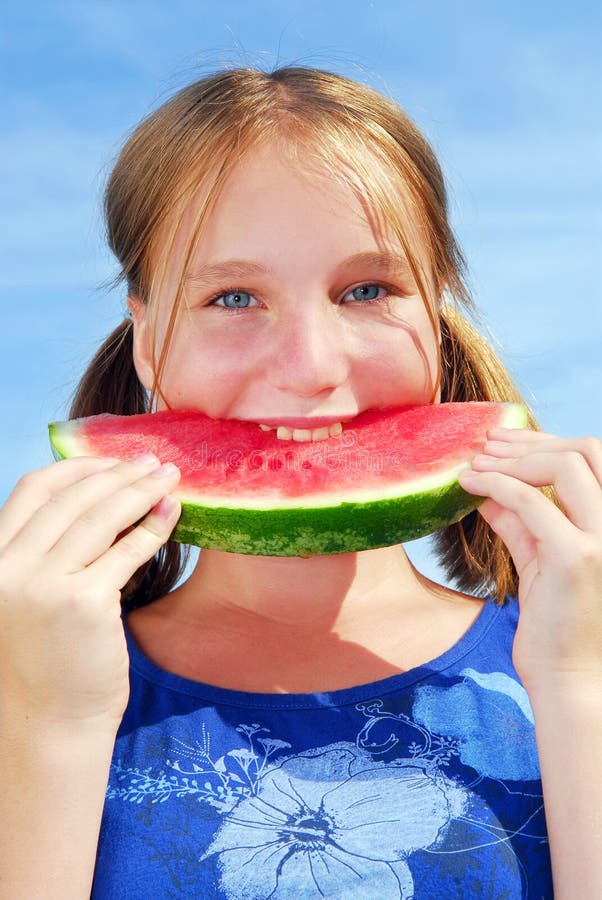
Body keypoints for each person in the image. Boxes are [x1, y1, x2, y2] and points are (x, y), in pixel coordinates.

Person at [0, 66, 600, 900]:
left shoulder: (562, 656)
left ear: (437, 309)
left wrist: (581, 683)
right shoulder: (30, 672)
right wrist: (47, 723)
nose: (313, 367)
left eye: (368, 289)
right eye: (234, 296)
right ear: (145, 340)